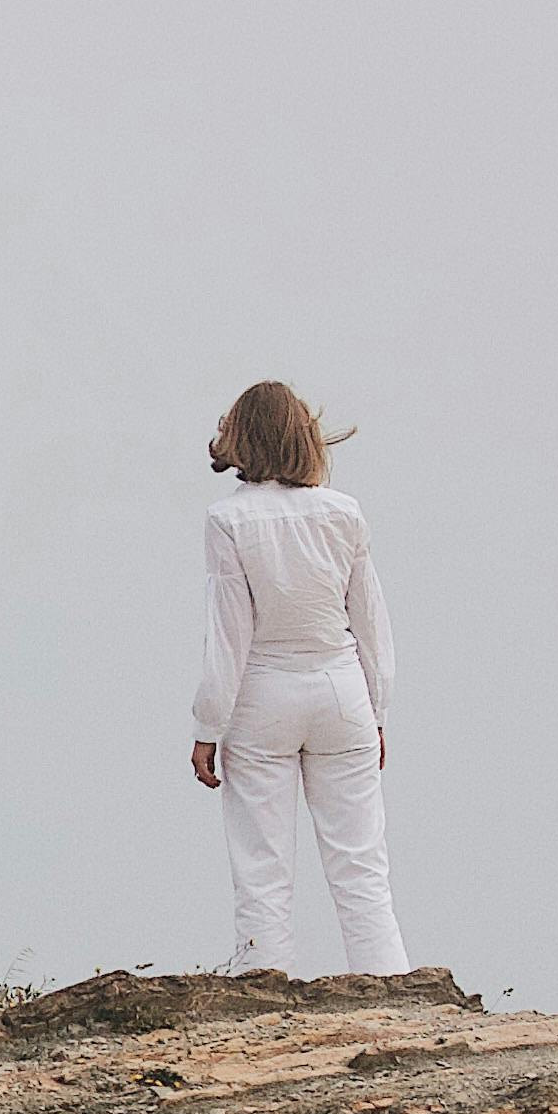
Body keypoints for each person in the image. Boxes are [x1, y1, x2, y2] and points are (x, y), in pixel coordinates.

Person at [187, 380, 406, 976]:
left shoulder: (227, 519)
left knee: (262, 868)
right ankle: (394, 993)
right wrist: (377, 712)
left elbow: (229, 634)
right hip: (342, 693)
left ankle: (261, 991)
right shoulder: (344, 513)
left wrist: (209, 725)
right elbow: (371, 624)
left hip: (263, 696)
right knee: (361, 868)